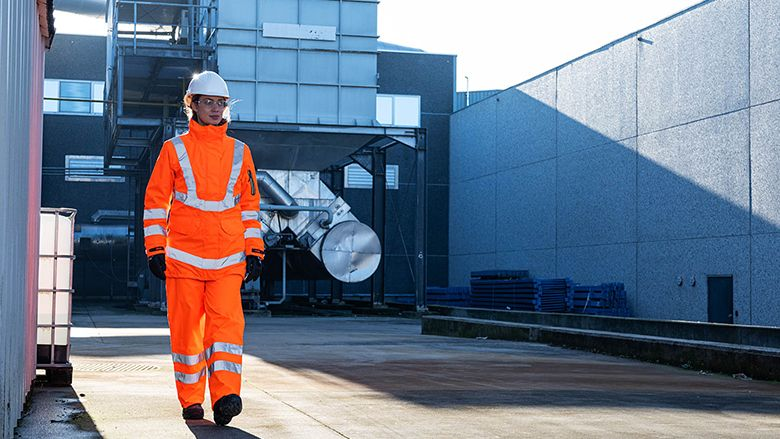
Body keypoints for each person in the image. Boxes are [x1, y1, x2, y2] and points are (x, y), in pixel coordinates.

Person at [142, 71, 264, 426]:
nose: (215, 109)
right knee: (187, 332)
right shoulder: (173, 149)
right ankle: (192, 400)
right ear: (191, 104)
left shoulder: (241, 152)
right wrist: (155, 249)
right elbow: (154, 202)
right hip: (182, 259)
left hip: (228, 258)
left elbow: (250, 208)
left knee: (227, 328)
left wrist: (255, 251)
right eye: (208, 102)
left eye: (221, 103)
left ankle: (226, 396)